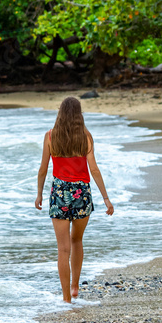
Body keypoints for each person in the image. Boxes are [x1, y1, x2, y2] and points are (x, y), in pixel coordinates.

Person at [34, 96, 114, 302]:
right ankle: (75, 286)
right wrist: (106, 198)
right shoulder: (85, 137)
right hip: (82, 193)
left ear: (60, 112)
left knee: (63, 249)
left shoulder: (50, 137)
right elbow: (94, 169)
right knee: (77, 240)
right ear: (79, 114)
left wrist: (39, 193)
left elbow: (43, 169)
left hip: (59, 193)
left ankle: (66, 298)